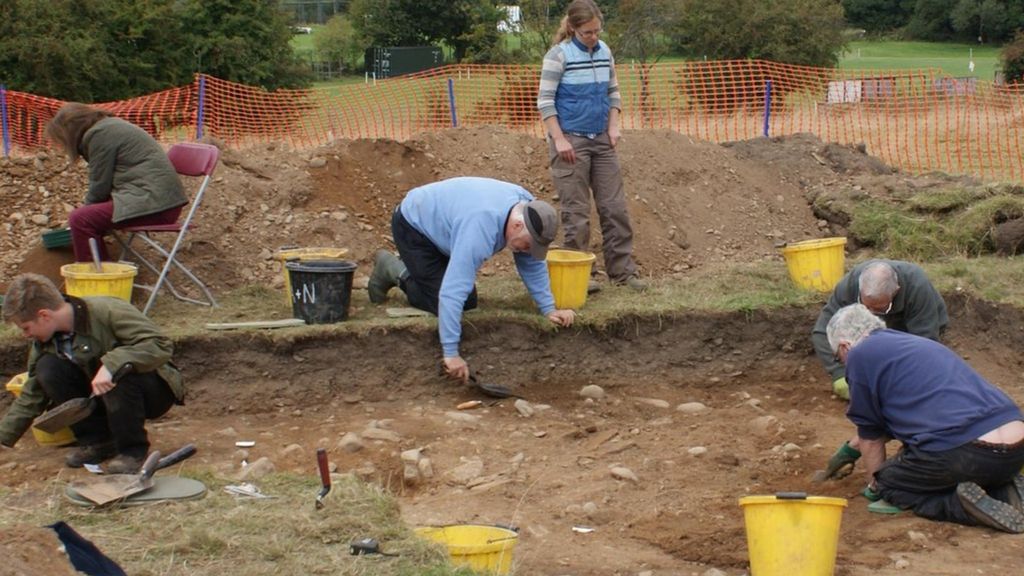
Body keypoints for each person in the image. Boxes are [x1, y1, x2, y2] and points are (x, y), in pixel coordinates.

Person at [826, 303, 1024, 533]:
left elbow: (872, 437)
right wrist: (848, 451)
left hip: (966, 452)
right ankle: (1005, 490)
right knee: (946, 459)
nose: (843, 365)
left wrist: (877, 485)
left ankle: (960, 506)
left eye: (839, 359)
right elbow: (882, 426)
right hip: (1015, 447)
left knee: (890, 482)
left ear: (845, 346)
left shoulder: (859, 356)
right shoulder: (912, 345)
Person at [366, 177, 576, 382]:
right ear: (517, 226)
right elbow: (451, 293)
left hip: (448, 227)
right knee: (442, 300)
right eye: (528, 245)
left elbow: (532, 263)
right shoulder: (480, 228)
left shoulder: (527, 209)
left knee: (469, 301)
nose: (527, 251)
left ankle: (417, 268)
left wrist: (549, 308)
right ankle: (392, 268)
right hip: (414, 225)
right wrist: (451, 353)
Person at [0, 274, 185, 473]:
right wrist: (3, 437)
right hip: (100, 397)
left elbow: (160, 345)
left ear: (44, 315)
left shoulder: (107, 310)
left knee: (118, 373)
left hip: (152, 390)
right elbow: (32, 392)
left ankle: (132, 451)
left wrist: (111, 365)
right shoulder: (45, 342)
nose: (25, 335)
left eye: (26, 328)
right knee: (48, 369)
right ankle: (100, 442)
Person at [537, 0, 645, 293]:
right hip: (570, 140)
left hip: (602, 139)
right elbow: (545, 101)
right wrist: (559, 139)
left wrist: (613, 125)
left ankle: (622, 273)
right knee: (577, 213)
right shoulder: (558, 56)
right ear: (573, 28)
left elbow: (613, 91)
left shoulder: (605, 51)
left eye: (597, 31)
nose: (593, 37)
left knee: (615, 208)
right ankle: (580, 277)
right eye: (587, 32)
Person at [46, 103, 188, 262]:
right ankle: (103, 272)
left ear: (70, 131)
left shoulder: (99, 134)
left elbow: (99, 185)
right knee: (87, 217)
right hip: (162, 202)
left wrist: (81, 219)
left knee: (80, 219)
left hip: (156, 205)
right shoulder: (109, 126)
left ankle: (96, 279)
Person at [812, 259, 948, 400]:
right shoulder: (849, 285)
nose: (871, 314)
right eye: (865, 307)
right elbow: (821, 332)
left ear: (896, 291)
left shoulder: (917, 286)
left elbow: (925, 344)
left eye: (879, 309)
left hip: (911, 328)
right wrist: (839, 374)